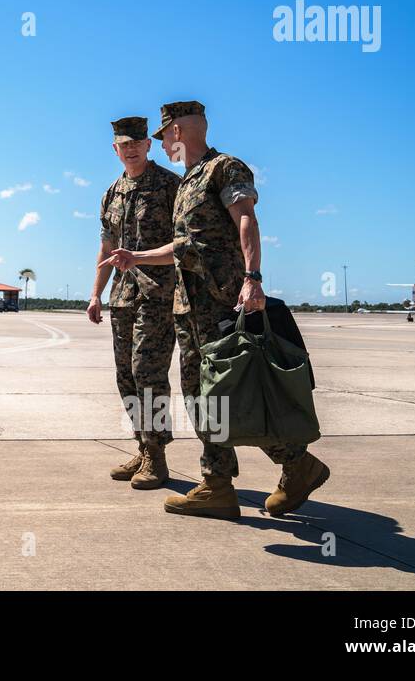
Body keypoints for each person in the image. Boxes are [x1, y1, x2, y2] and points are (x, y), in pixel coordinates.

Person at [100, 101, 330, 519]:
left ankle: (295, 463)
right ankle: (219, 486)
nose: (160, 143)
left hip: (222, 300)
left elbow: (246, 221)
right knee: (201, 396)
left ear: (179, 131)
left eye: (162, 135)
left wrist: (253, 277)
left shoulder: (224, 168)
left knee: (233, 390)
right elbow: (181, 247)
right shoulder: (188, 182)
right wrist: (136, 257)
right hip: (187, 308)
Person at [88, 116, 180, 489]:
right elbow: (107, 247)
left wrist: (141, 259)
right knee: (125, 375)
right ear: (116, 149)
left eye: (136, 143)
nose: (130, 148)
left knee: (148, 373)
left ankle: (157, 458)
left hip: (159, 294)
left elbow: (184, 244)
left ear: (148, 145)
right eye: (123, 144)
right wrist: (96, 293)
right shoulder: (111, 192)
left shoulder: (170, 187)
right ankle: (142, 447)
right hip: (122, 298)